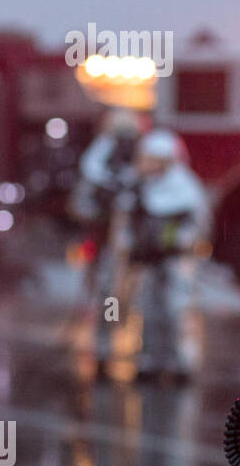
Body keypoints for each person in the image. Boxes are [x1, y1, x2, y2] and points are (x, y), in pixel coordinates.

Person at [127, 128, 209, 386]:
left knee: (178, 312)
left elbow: (199, 225)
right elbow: (129, 222)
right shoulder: (140, 187)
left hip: (177, 261)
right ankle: (149, 362)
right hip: (149, 261)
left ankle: (181, 364)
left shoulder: (186, 188)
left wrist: (179, 244)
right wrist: (135, 247)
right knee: (148, 312)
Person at [68, 108, 143, 379]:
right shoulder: (96, 165)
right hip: (107, 249)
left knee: (134, 300)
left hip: (134, 250)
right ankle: (102, 352)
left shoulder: (139, 163)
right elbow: (81, 205)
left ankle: (144, 357)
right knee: (106, 296)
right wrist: (104, 201)